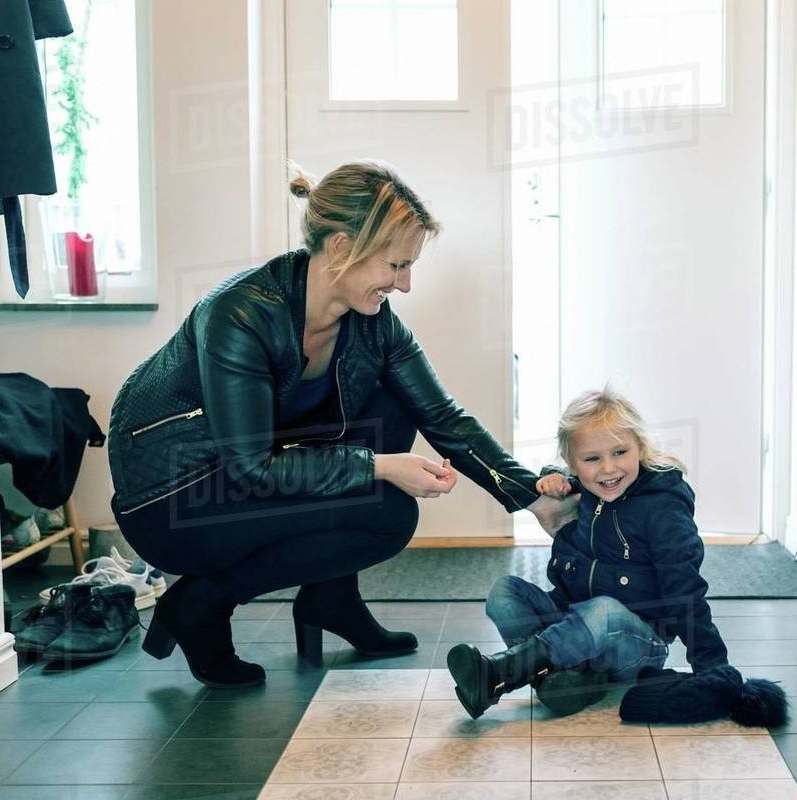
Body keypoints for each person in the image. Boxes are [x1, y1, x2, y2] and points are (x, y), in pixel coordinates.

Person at [108, 160, 576, 688]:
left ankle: (331, 596)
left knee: (397, 406)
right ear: (339, 248)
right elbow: (251, 468)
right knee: (388, 512)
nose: (404, 285)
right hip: (173, 495)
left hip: (249, 473)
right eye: (396, 265)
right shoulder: (240, 315)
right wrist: (380, 465)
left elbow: (442, 417)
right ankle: (202, 603)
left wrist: (532, 497)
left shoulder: (374, 324)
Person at [446, 387, 729, 719]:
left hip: (636, 642)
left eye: (620, 452)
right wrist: (550, 478)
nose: (608, 469)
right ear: (574, 464)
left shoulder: (662, 506)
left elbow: (685, 587)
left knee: (603, 611)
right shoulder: (585, 487)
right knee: (504, 592)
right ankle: (568, 681)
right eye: (592, 459)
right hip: (575, 619)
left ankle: (496, 676)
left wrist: (711, 664)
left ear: (640, 446)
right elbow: (560, 479)